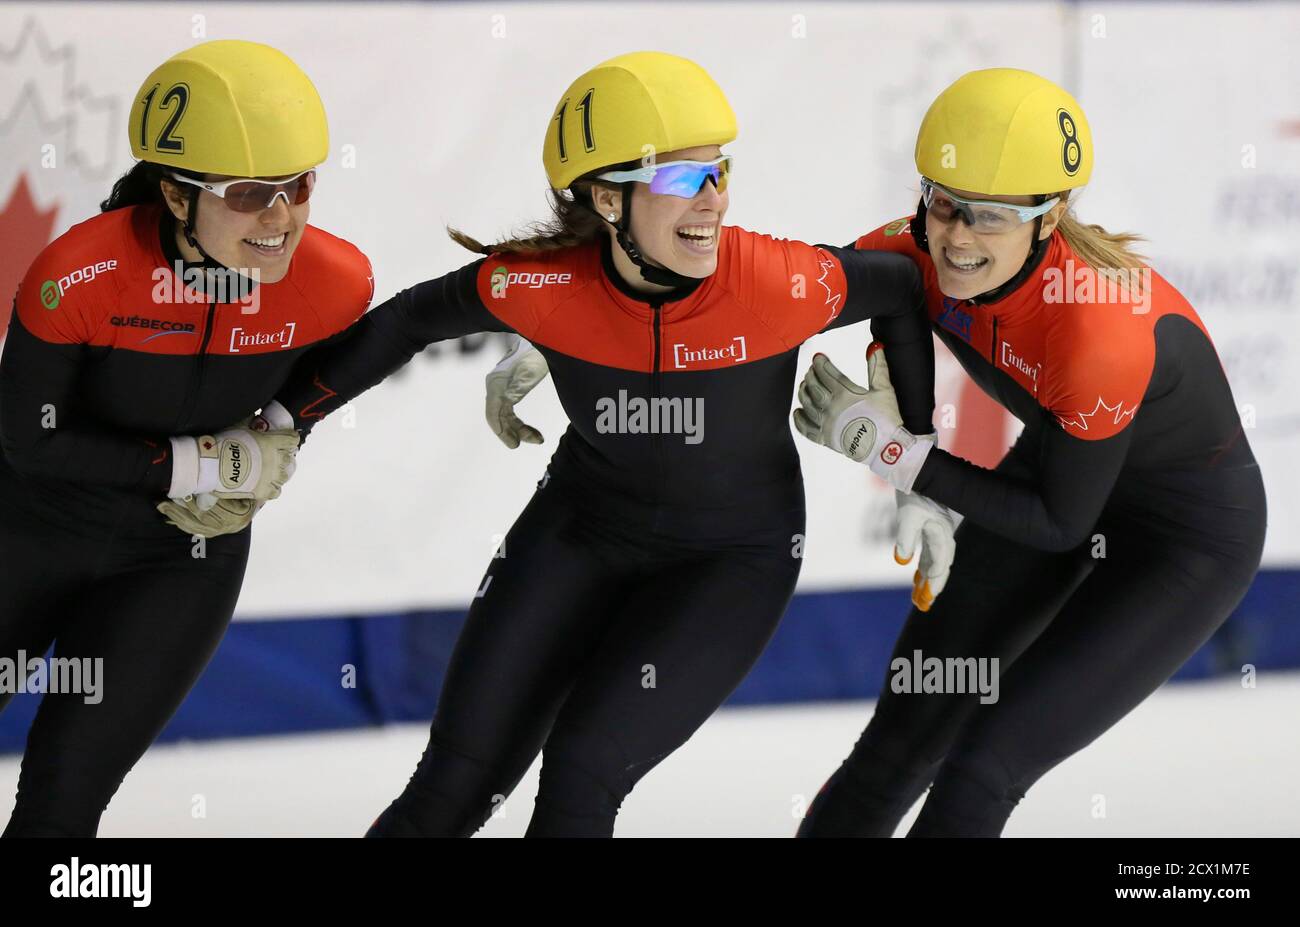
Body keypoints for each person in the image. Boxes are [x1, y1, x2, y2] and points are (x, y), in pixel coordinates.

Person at [267, 51, 939, 837]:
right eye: (684, 180)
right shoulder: (543, 287)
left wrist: (914, 452)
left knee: (581, 774)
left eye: (718, 173)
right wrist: (281, 423)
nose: (714, 200)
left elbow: (901, 286)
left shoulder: (778, 282)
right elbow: (409, 319)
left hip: (731, 559)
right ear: (605, 199)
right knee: (451, 784)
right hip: (582, 530)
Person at [791, 68, 1267, 836]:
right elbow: (775, 295)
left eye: (989, 217)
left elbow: (1057, 522)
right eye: (943, 203)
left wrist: (899, 459)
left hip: (1180, 545)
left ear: (1051, 219)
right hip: (1059, 474)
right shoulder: (914, 247)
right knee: (897, 746)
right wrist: (552, 331)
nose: (956, 236)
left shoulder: (1097, 332)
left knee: (984, 766)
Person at [0, 39, 373, 836]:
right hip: (27, 531)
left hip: (179, 559)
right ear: (175, 194)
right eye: (247, 194)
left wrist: (281, 424)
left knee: (62, 804)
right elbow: (28, 441)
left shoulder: (333, 277)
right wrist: (200, 462)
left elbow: (399, 332)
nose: (281, 220)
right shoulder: (79, 273)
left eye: (297, 186)